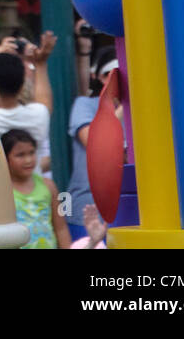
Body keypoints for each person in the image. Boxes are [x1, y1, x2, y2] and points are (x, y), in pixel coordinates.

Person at [65, 46, 119, 239]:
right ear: (98, 76)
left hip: (127, 212)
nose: (114, 80)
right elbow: (95, 144)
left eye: (120, 75)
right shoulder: (84, 104)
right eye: (109, 74)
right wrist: (122, 107)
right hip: (86, 211)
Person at [0, 31, 57, 174]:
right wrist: (40, 64)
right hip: (34, 191)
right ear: (22, 83)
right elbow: (44, 101)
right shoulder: (38, 115)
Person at [3, 128, 70, 249]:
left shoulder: (49, 186)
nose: (28, 160)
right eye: (20, 155)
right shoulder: (2, 191)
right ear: (5, 158)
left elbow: (61, 228)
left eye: (31, 153)